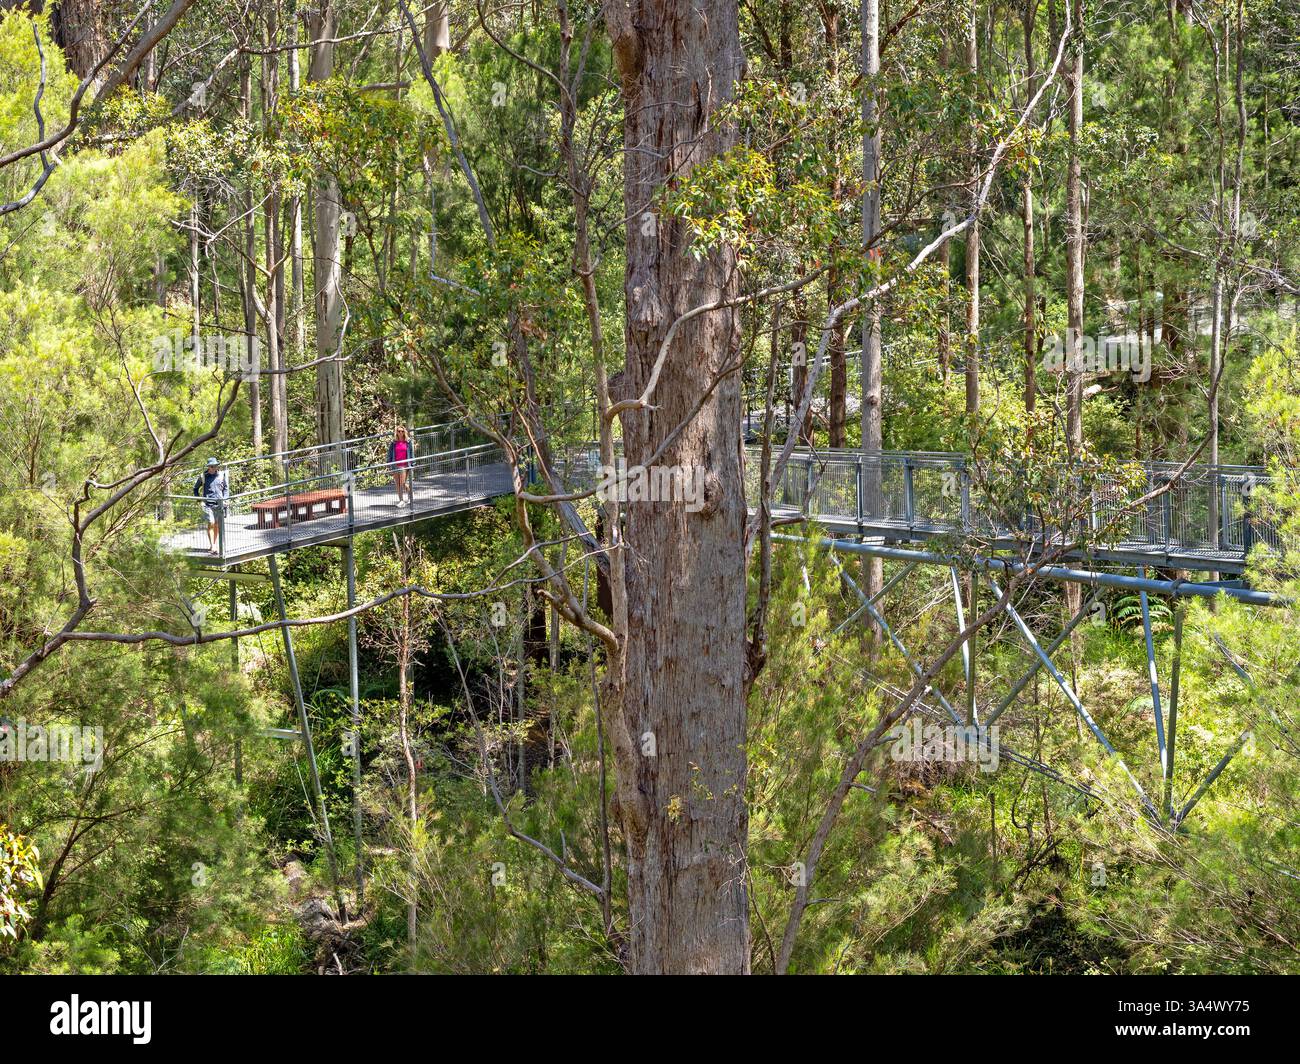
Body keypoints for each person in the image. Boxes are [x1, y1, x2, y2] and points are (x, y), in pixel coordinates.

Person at [193, 458, 230, 553]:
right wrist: (199, 500)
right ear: (208, 467)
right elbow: (195, 488)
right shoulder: (203, 476)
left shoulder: (221, 475)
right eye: (212, 466)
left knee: (217, 525)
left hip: (219, 504)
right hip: (207, 504)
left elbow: (225, 489)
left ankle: (214, 544)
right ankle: (212, 546)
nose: (214, 468)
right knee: (211, 523)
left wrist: (225, 499)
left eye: (215, 466)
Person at [388, 425, 415, 505]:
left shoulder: (408, 441)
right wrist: (388, 464)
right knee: (397, 484)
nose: (400, 433)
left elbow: (411, 452)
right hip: (395, 464)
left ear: (404, 432)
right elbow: (389, 453)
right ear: (396, 432)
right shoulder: (393, 442)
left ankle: (410, 495)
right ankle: (401, 500)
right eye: (399, 431)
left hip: (404, 465)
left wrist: (413, 463)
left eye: (402, 431)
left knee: (403, 483)